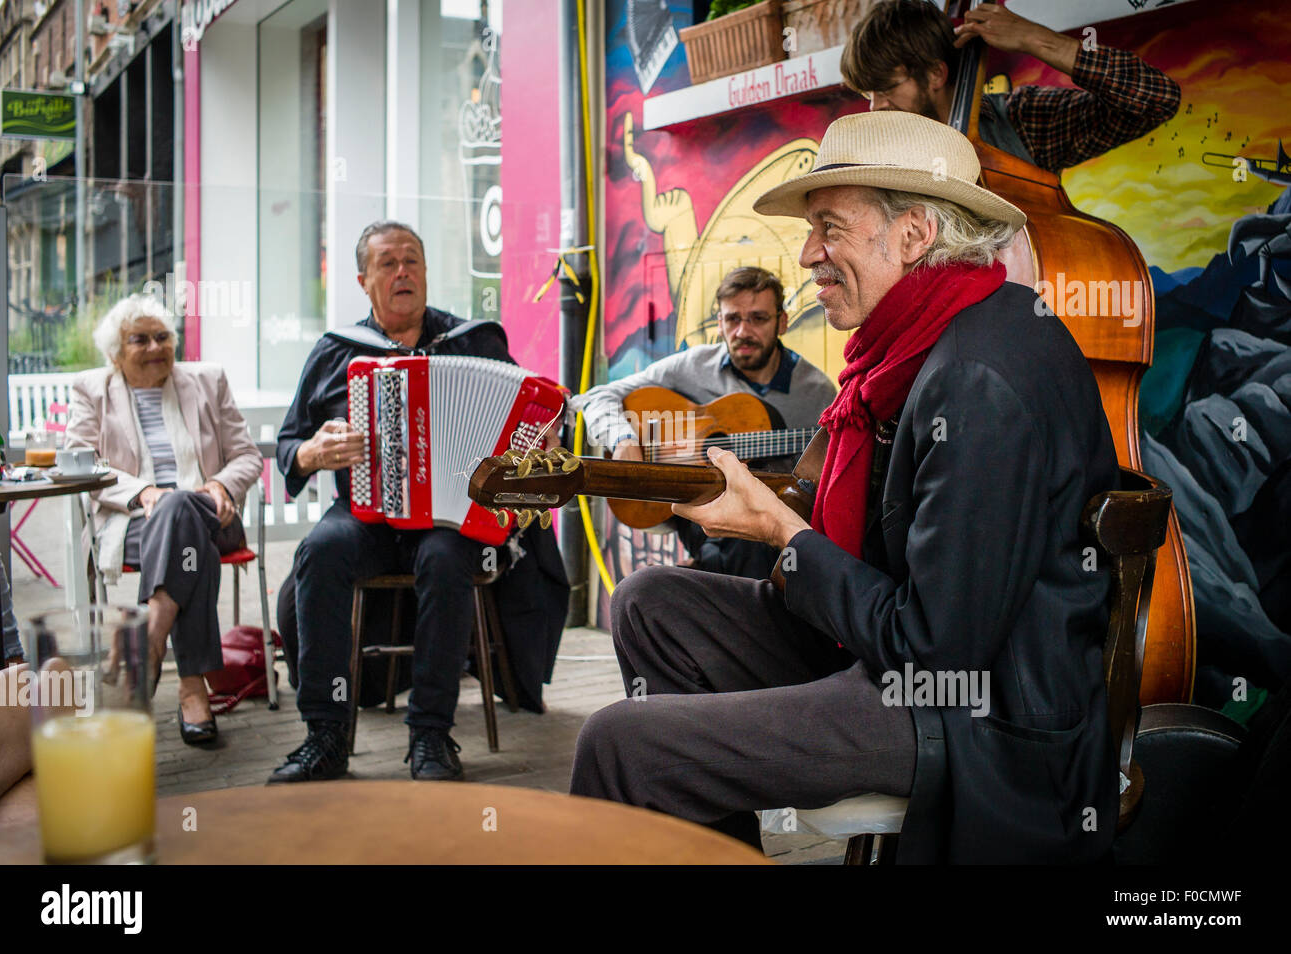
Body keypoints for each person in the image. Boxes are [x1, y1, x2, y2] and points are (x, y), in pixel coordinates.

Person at [569, 110, 1122, 863]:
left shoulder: (977, 379)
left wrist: (780, 532)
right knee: (648, 605)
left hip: (969, 713)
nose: (806, 255)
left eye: (828, 227)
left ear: (915, 234)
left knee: (619, 742)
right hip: (906, 662)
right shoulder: (919, 344)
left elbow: (935, 652)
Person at [270, 220, 569, 785]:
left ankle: (431, 732)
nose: (402, 270)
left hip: (452, 515)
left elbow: (531, 419)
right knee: (320, 552)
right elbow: (290, 443)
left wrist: (548, 433)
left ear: (426, 273)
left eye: (412, 260)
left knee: (445, 557)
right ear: (363, 280)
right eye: (388, 262)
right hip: (368, 510)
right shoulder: (336, 352)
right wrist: (312, 451)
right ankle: (325, 734)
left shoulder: (476, 340)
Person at [66, 294, 263, 747]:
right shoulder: (92, 390)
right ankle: (192, 687)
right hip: (133, 522)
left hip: (216, 513)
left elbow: (247, 456)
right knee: (186, 534)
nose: (155, 346)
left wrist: (218, 486)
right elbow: (81, 464)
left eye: (163, 336)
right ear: (115, 353)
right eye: (140, 339)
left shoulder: (207, 380)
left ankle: (151, 633)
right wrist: (144, 492)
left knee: (181, 511)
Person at [575, 266, 836, 578]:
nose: (742, 332)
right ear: (720, 323)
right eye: (732, 319)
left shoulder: (817, 392)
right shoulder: (694, 366)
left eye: (758, 318)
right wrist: (623, 440)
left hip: (770, 529)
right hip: (701, 519)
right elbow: (595, 396)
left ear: (781, 322)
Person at [843, 0, 1180, 173]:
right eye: (868, 95)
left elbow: (1156, 99)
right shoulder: (882, 158)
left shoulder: (1021, 121)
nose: (876, 107)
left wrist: (1039, 41)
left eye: (886, 90)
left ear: (935, 74)